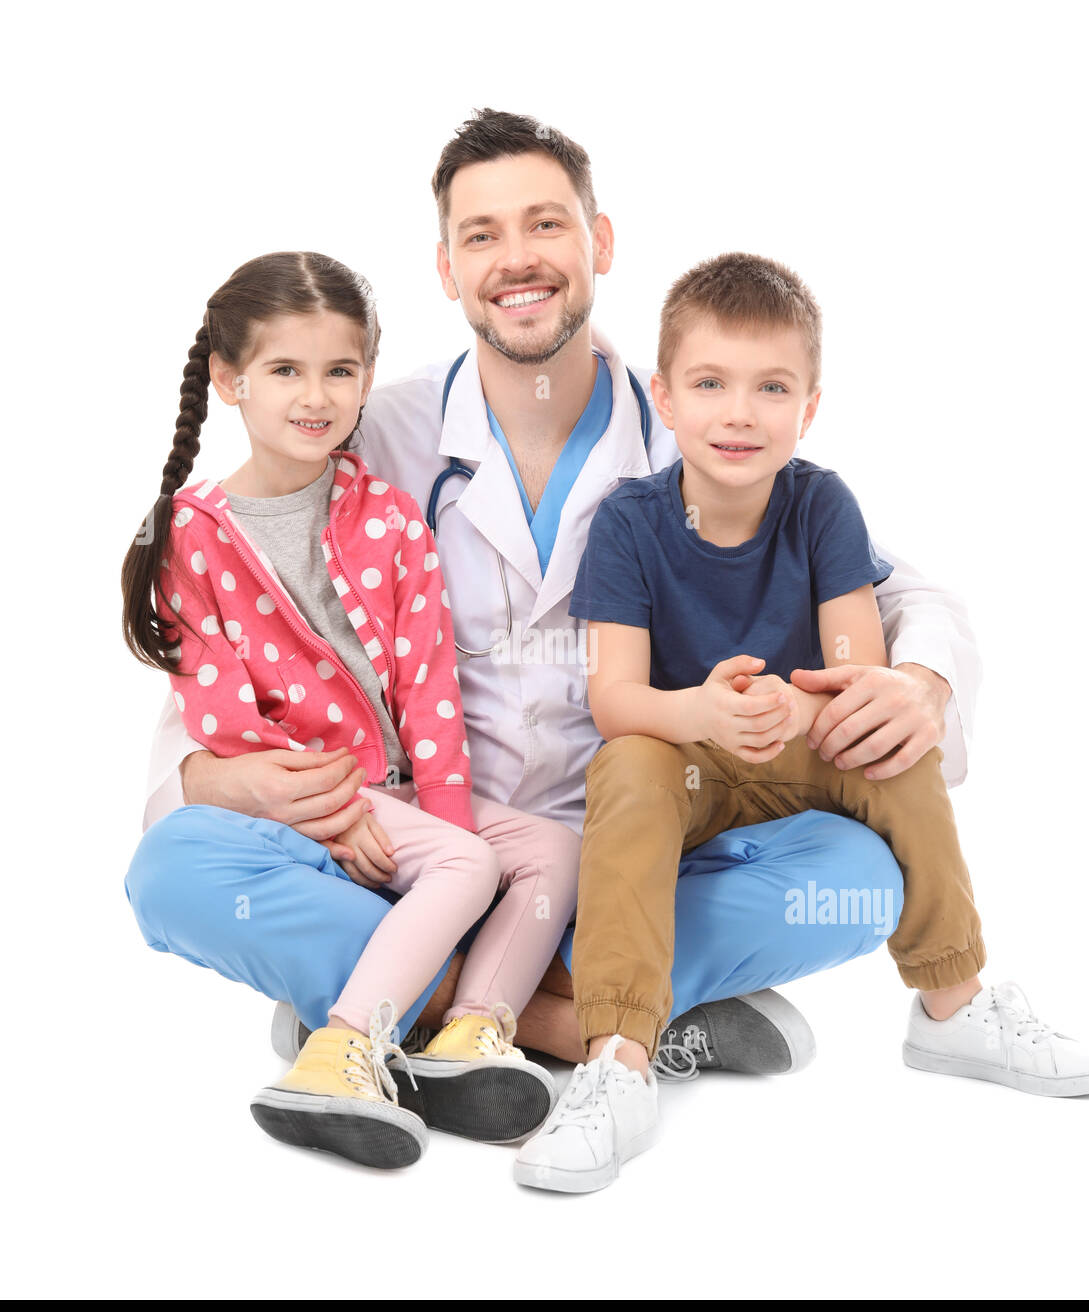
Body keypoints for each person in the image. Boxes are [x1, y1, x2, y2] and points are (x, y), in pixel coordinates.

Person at [126, 109, 979, 1106]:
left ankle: (395, 999)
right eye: (480, 235)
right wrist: (219, 778)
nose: (515, 259)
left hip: (637, 858)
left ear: (599, 242)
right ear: (445, 268)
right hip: (409, 845)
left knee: (860, 878)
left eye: (546, 225)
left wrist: (919, 679)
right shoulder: (368, 424)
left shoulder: (694, 418)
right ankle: (576, 1018)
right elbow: (249, 619)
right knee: (175, 865)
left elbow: (900, 589)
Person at [514, 251, 1089, 1193]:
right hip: (683, 753)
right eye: (709, 384)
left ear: (808, 405)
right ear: (664, 396)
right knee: (627, 763)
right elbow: (614, 698)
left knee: (899, 749)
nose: (738, 413)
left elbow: (856, 669)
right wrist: (698, 709)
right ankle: (616, 1063)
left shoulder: (821, 504)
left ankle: (951, 1007)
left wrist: (800, 700)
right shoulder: (628, 525)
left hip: (791, 744)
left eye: (770, 387)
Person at [121, 251, 581, 1168]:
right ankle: (343, 1051)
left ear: (366, 377)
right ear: (229, 378)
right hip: (310, 802)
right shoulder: (192, 536)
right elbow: (223, 721)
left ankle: (469, 1035)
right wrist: (343, 819)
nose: (316, 395)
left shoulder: (391, 518)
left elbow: (428, 691)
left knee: (545, 852)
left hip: (404, 795)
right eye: (287, 369)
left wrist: (445, 826)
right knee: (458, 866)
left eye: (341, 371)